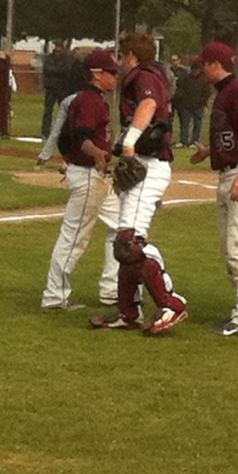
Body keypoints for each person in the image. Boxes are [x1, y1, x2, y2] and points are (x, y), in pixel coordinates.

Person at [89, 32, 187, 335]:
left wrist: (129, 142)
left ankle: (171, 304)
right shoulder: (155, 73)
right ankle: (128, 312)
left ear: (131, 54)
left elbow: (147, 105)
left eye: (121, 56)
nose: (120, 63)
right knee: (125, 242)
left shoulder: (141, 75)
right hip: (150, 163)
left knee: (130, 243)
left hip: (150, 164)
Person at [189, 41, 238, 336]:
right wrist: (209, 151)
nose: (201, 69)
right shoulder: (224, 94)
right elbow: (237, 137)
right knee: (229, 249)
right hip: (227, 173)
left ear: (214, 64)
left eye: (203, 64)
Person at [42, 50, 121, 310]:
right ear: (97, 75)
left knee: (122, 227)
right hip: (88, 175)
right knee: (74, 237)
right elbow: (82, 137)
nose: (116, 76)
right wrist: (97, 153)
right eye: (112, 72)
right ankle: (55, 296)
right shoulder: (89, 101)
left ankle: (112, 289)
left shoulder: (94, 99)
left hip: (96, 177)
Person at [174, 59, 212, 148]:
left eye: (196, 70)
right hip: (186, 105)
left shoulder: (204, 79)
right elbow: (181, 90)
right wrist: (183, 101)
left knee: (197, 124)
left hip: (198, 106)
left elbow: (207, 93)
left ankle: (194, 141)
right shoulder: (187, 78)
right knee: (185, 124)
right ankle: (183, 141)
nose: (194, 72)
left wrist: (201, 102)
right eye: (193, 70)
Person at [41, 41, 74, 139]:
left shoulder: (66, 58)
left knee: (64, 111)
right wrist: (57, 71)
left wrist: (54, 71)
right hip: (50, 88)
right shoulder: (49, 57)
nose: (57, 48)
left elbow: (65, 70)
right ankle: (45, 133)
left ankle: (63, 133)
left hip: (62, 88)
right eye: (56, 46)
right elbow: (46, 69)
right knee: (48, 111)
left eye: (59, 46)